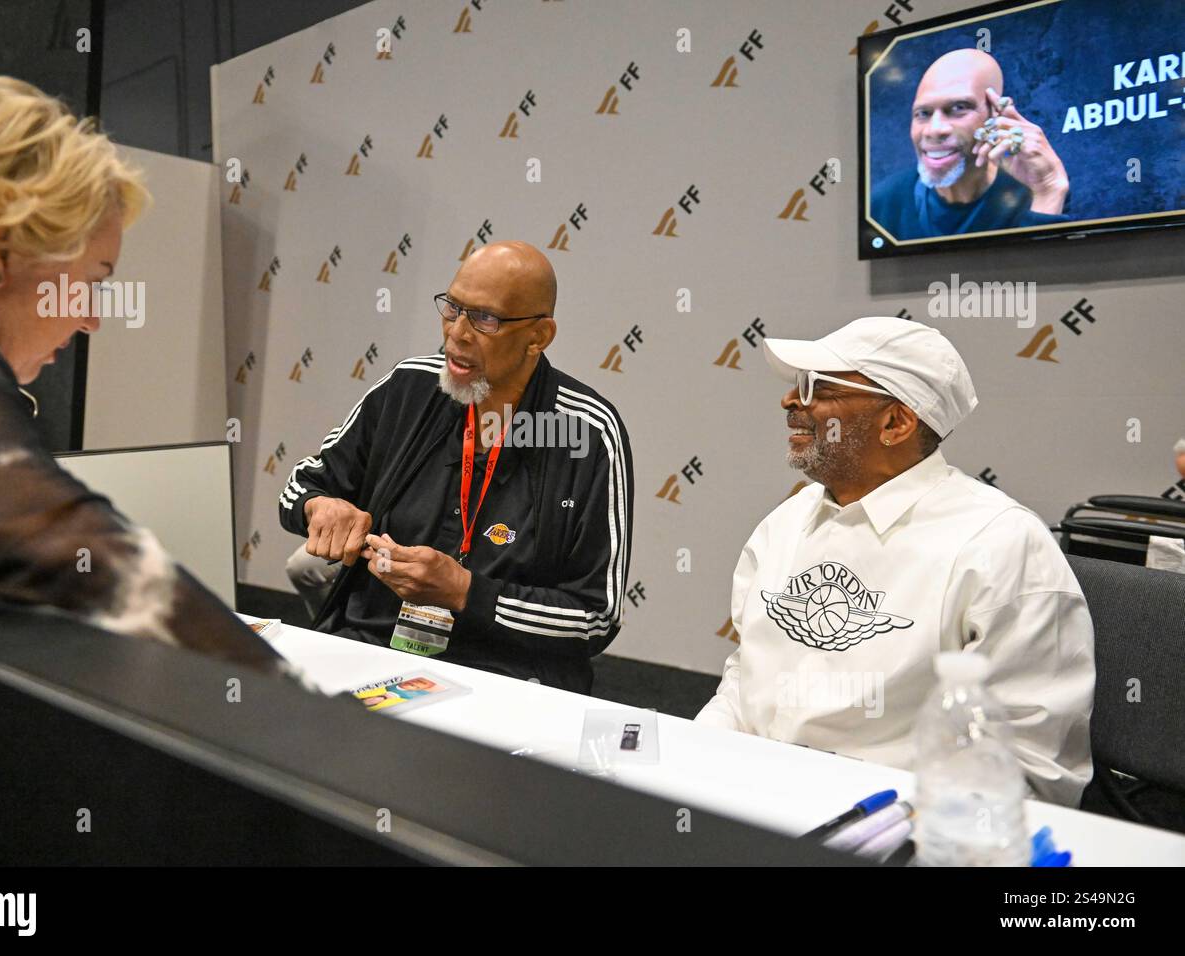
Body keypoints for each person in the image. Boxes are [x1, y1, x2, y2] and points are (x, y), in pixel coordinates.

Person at [0, 71, 281, 671]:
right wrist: (284, 699)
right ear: (2, 250)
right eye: (93, 281)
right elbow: (41, 541)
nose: (93, 319)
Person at [695, 316, 1095, 807]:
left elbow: (1029, 766)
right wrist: (692, 759)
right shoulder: (785, 523)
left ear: (895, 423)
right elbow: (744, 681)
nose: (790, 401)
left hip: (891, 821)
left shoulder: (1000, 544)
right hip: (750, 797)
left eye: (817, 387)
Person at [279, 241, 632, 693]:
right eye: (452, 308)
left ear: (538, 336)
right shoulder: (408, 388)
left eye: (484, 318)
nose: (457, 334)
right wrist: (320, 506)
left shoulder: (586, 433)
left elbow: (595, 618)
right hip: (374, 650)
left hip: (504, 679)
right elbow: (300, 486)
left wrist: (466, 591)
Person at [870, 49, 1070, 240]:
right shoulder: (882, 205)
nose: (934, 130)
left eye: (958, 108)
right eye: (923, 113)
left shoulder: (1033, 191)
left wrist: (1048, 191)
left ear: (997, 113)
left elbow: (1039, 265)